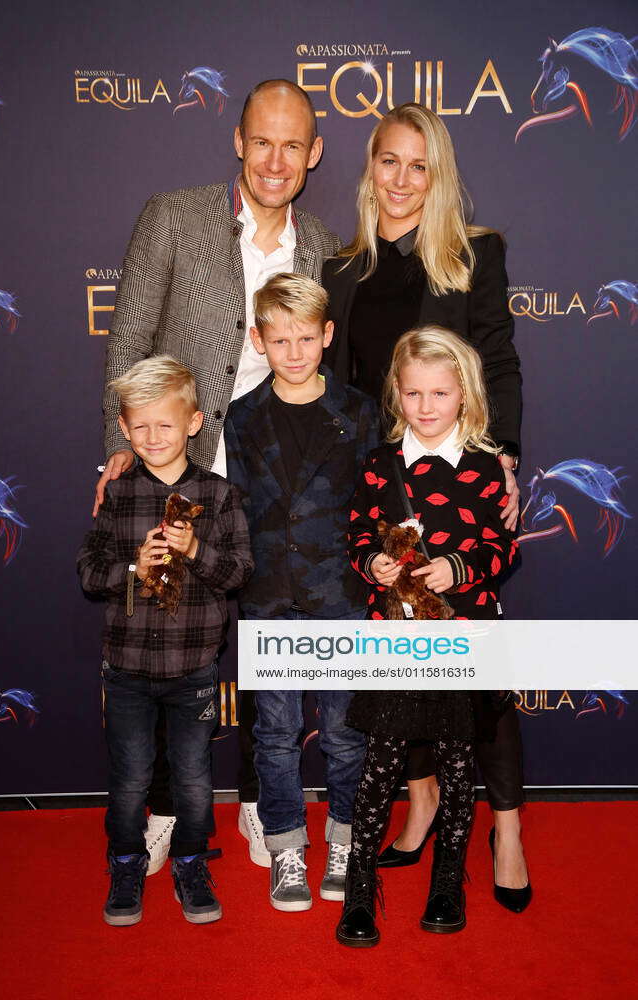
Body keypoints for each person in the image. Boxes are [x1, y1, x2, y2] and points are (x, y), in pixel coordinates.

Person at [95, 79, 340, 871]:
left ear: (313, 154)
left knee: (267, 649)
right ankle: (166, 807)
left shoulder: (323, 244)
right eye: (261, 141)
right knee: (173, 647)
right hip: (180, 471)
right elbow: (129, 338)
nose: (275, 160)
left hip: (276, 488)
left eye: (292, 145)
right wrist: (120, 447)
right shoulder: (173, 215)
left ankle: (259, 806)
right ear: (238, 141)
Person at [322, 102, 530, 907]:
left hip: (461, 478)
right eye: (389, 161)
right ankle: (422, 803)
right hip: (386, 487)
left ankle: (505, 829)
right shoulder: (342, 271)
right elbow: (341, 390)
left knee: (479, 676)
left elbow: (498, 361)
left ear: (437, 174)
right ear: (368, 168)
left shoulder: (473, 255)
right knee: (399, 657)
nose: (402, 179)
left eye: (419, 165)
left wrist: (502, 458)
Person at [336, 326, 520, 947]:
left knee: (457, 763)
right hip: (396, 637)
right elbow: (358, 535)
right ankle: (360, 892)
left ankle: (447, 886)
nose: (426, 406)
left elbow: (502, 546)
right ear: (397, 392)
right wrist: (373, 564)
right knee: (379, 766)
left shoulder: (486, 468)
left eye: (440, 393)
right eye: (413, 393)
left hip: (465, 633)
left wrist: (458, 569)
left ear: (464, 393)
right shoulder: (379, 464)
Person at [77, 357, 253, 926]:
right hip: (126, 667)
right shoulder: (118, 494)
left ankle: (191, 862)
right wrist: (134, 568)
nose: (153, 438)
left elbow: (240, 573)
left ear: (194, 423)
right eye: (141, 427)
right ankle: (126, 862)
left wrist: (195, 550)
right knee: (130, 778)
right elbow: (89, 572)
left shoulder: (219, 496)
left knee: (194, 779)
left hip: (194, 668)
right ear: (123, 429)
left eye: (166, 425)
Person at [224, 273, 378, 911]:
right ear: (258, 340)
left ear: (328, 335)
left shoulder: (359, 411)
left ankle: (345, 839)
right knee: (276, 734)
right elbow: (236, 508)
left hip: (340, 595)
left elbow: (374, 505)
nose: (294, 352)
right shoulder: (241, 416)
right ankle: (287, 847)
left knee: (343, 732)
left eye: (306, 338)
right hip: (267, 597)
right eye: (280, 339)